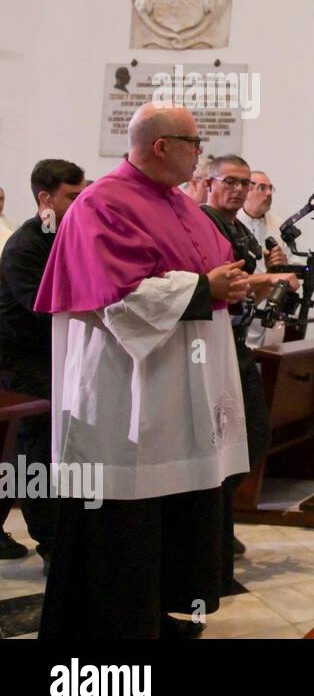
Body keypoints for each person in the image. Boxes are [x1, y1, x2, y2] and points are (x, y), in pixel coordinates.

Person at [34, 104, 252, 638]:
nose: (200, 153)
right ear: (161, 145)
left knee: (171, 506)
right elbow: (118, 300)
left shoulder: (178, 203)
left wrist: (233, 284)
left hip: (178, 381)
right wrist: (206, 288)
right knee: (125, 512)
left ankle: (153, 613)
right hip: (125, 384)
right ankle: (112, 628)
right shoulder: (100, 203)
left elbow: (202, 269)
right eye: (195, 142)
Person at [201, 155, 299, 580]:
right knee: (222, 444)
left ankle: (221, 523)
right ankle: (212, 533)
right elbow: (219, 284)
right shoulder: (202, 222)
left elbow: (246, 293)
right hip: (209, 347)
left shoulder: (240, 229)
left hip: (238, 344)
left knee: (252, 436)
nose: (239, 190)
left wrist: (275, 274)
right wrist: (269, 281)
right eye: (231, 182)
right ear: (209, 182)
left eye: (246, 183)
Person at [0, 160, 88, 566]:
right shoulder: (25, 247)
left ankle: (65, 534)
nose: (81, 200)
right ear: (45, 198)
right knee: (37, 448)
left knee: (56, 446)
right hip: (21, 362)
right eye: (73, 195)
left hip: (60, 357)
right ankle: (50, 539)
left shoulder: (72, 236)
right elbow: (46, 307)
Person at [237, 169, 296, 347]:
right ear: (246, 190)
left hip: (271, 310)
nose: (269, 193)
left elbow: (295, 267)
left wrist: (283, 266)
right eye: (262, 188)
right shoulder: (232, 222)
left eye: (271, 188)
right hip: (240, 306)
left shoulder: (279, 225)